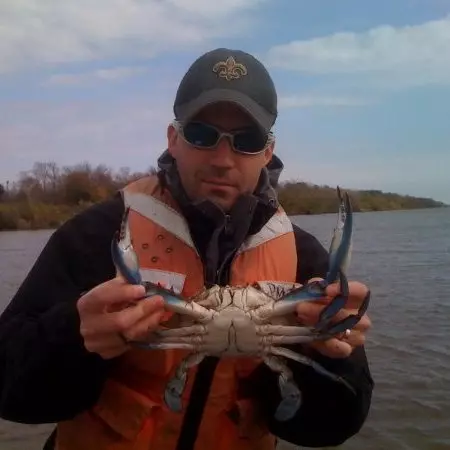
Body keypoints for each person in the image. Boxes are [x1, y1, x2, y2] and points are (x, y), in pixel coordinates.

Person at [0, 48, 373, 450]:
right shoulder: (102, 235)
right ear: (173, 139)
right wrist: (73, 336)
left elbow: (332, 427)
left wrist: (331, 354)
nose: (222, 159)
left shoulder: (306, 260)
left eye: (246, 140)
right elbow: (10, 392)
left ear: (267, 152)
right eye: (202, 135)